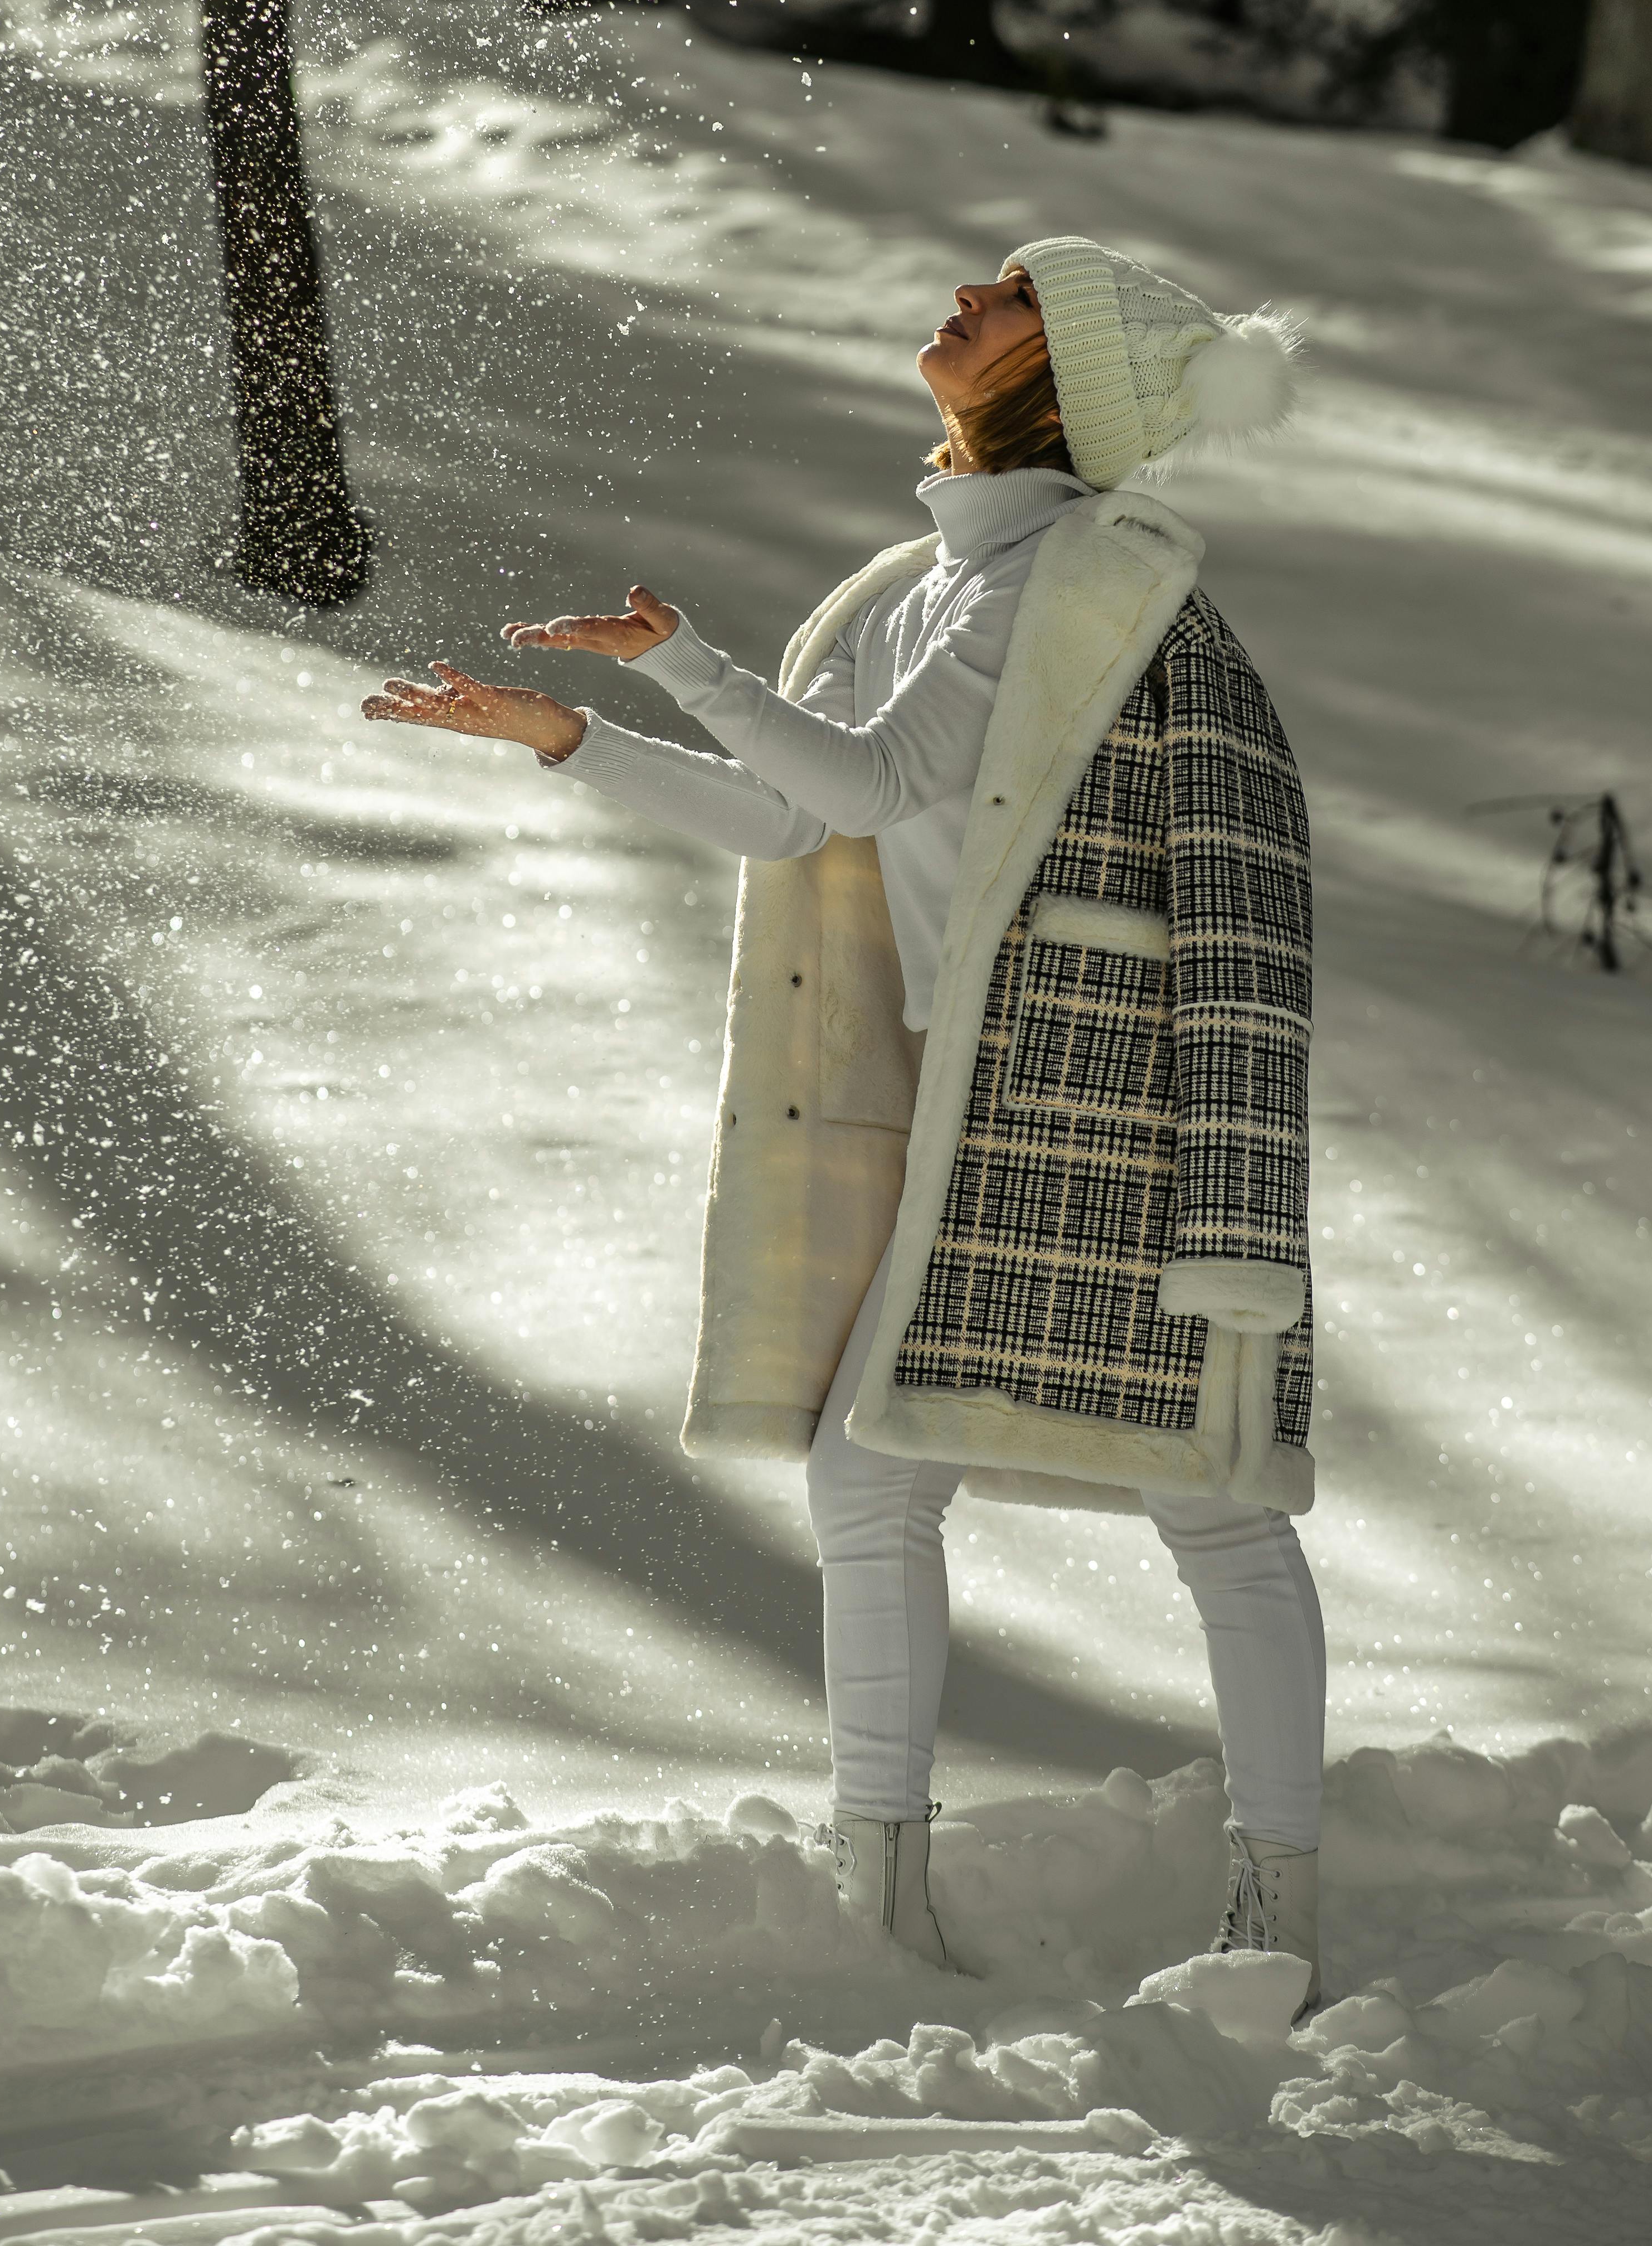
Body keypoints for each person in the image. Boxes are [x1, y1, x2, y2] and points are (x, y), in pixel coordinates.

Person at [362, 234, 1326, 2005]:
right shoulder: (930, 581)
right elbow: (802, 824)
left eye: (1014, 294)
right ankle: (895, 1896)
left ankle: (1266, 1918)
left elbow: (870, 780)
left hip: (1097, 1099)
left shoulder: (1071, 579)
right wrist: (568, 738)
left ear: (1066, 380)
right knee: (908, 1477)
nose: (969, 293)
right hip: (987, 1094)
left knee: (1206, 1495)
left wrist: (691, 665)